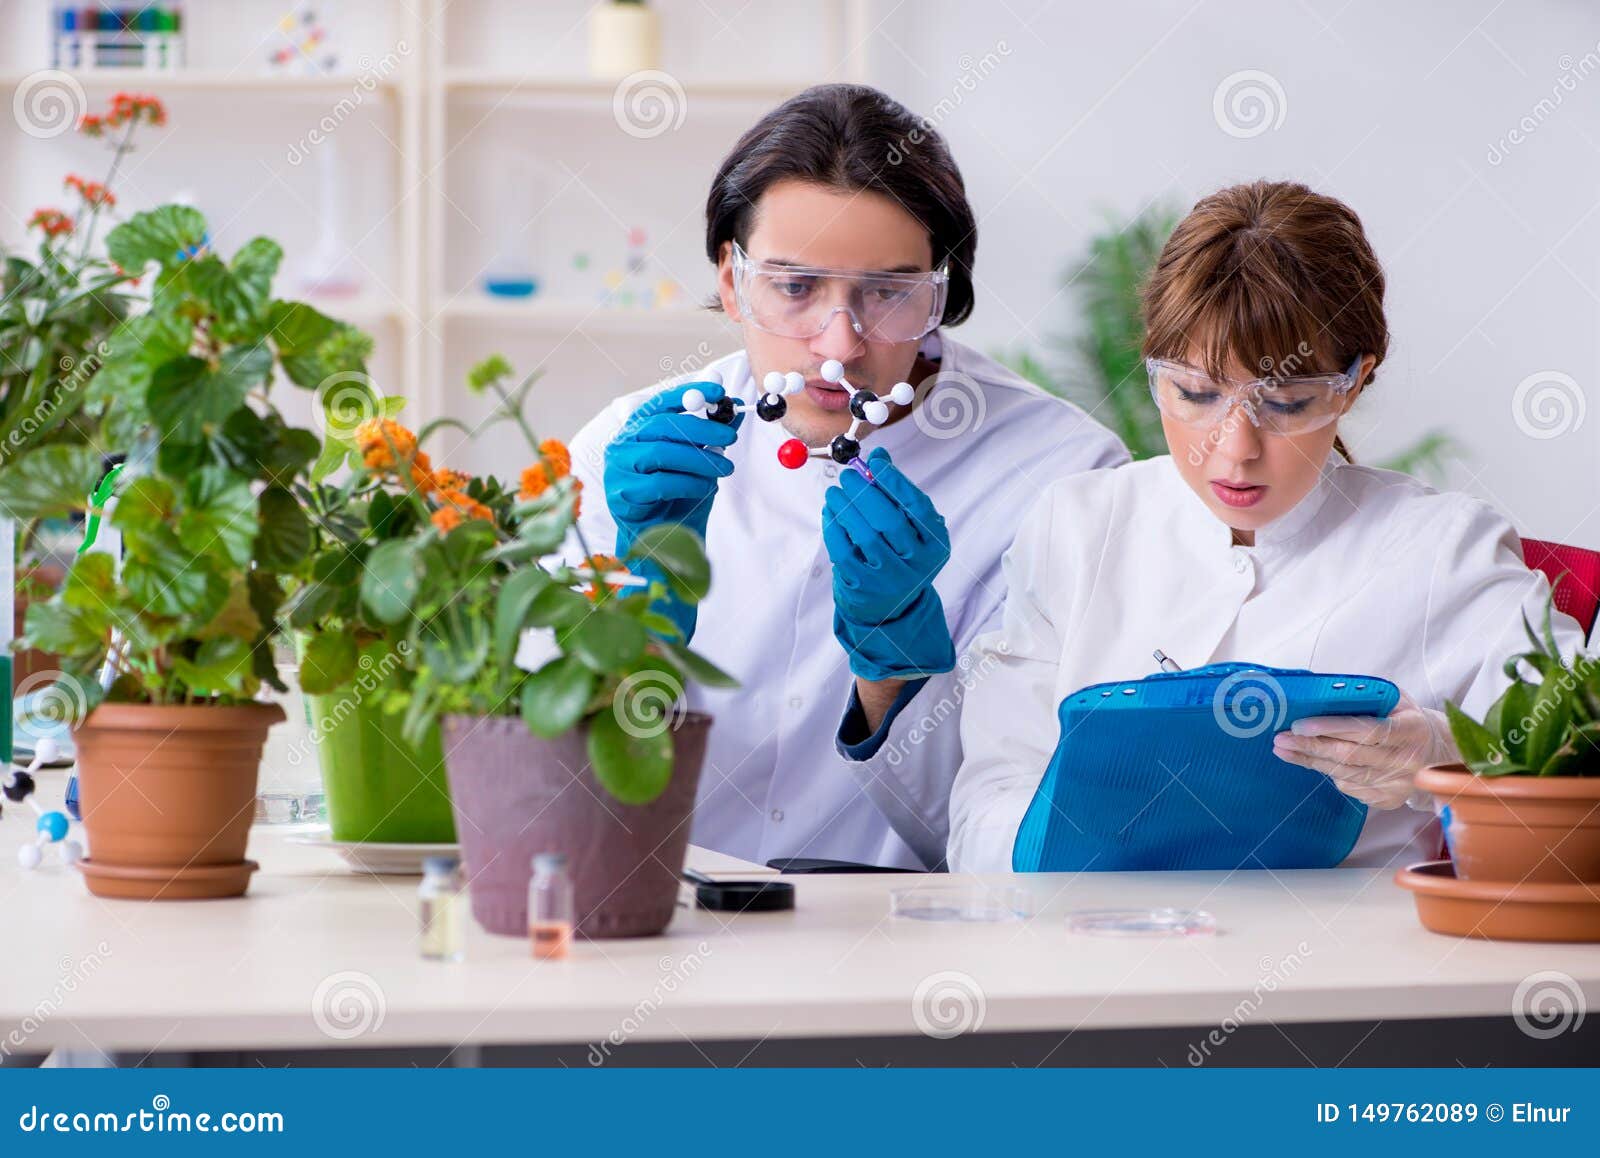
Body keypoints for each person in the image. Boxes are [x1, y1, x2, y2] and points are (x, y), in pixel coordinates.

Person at [947, 179, 1586, 873]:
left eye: (1285, 403)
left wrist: (1443, 755)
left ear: (1353, 381)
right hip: (1090, 931)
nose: (1235, 449)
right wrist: (1059, 845)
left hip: (1349, 941)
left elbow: (1578, 752)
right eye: (1195, 393)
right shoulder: (1077, 526)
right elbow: (985, 808)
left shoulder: (1444, 548)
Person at [565, 85, 1127, 870]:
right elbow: (552, 791)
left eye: (889, 292)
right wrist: (637, 622)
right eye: (795, 288)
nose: (840, 344)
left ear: (942, 291)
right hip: (664, 910)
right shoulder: (626, 455)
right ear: (731, 280)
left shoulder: (1065, 476)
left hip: (909, 929)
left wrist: (897, 674)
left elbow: (1025, 831)